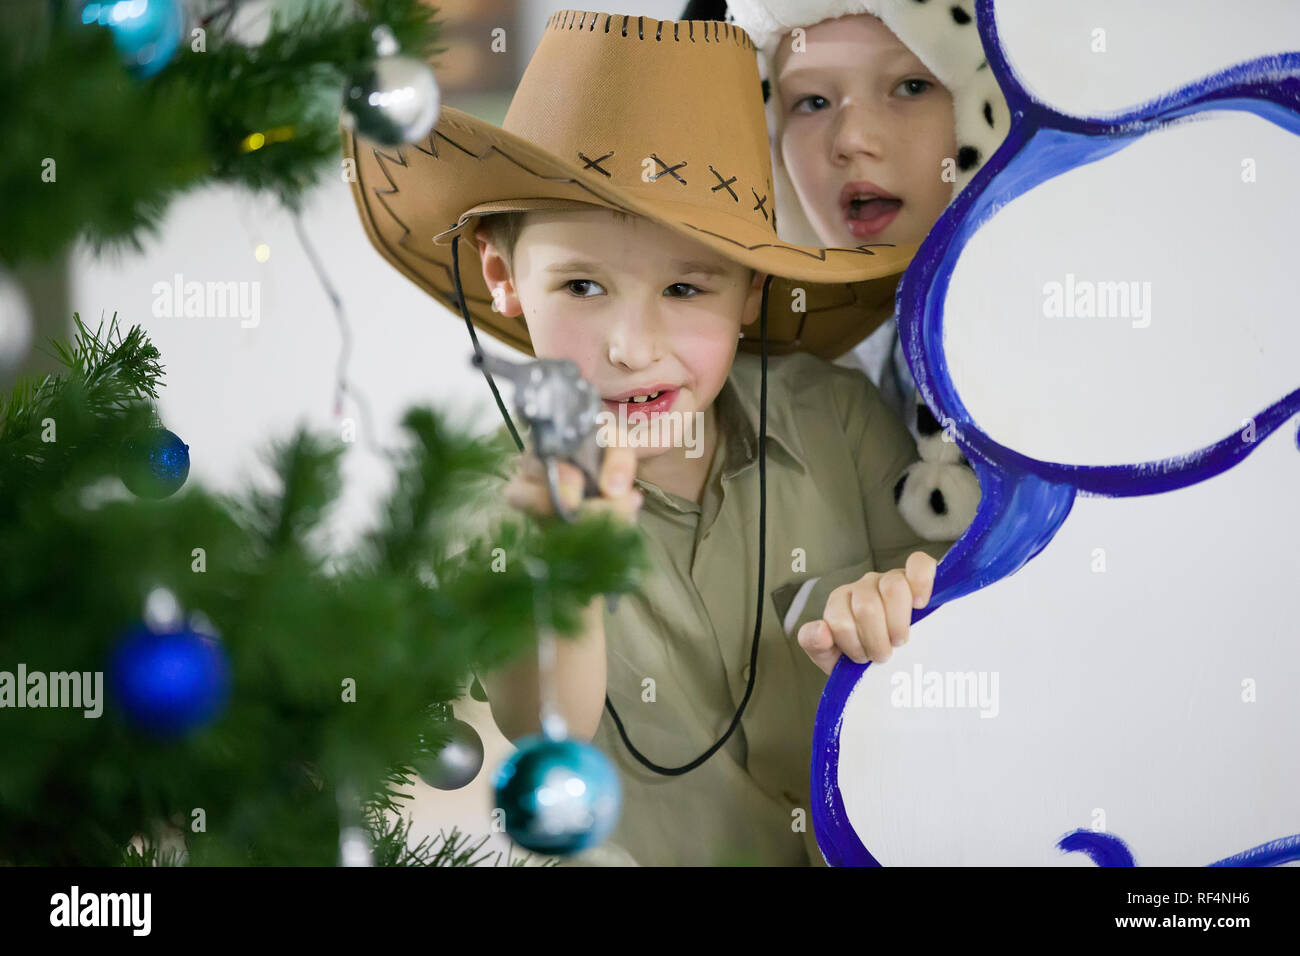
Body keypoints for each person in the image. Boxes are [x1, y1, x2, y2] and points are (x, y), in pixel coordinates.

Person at [343, 10, 954, 867]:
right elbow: (545, 722)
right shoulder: (501, 495)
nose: (632, 346)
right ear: (502, 276)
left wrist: (891, 605)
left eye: (686, 288)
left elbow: (941, 610)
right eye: (584, 285)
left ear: (749, 291)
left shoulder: (839, 416)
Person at [723, 0, 1008, 538]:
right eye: (811, 101)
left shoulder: (1062, 345)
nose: (852, 139)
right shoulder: (744, 370)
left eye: (911, 87)